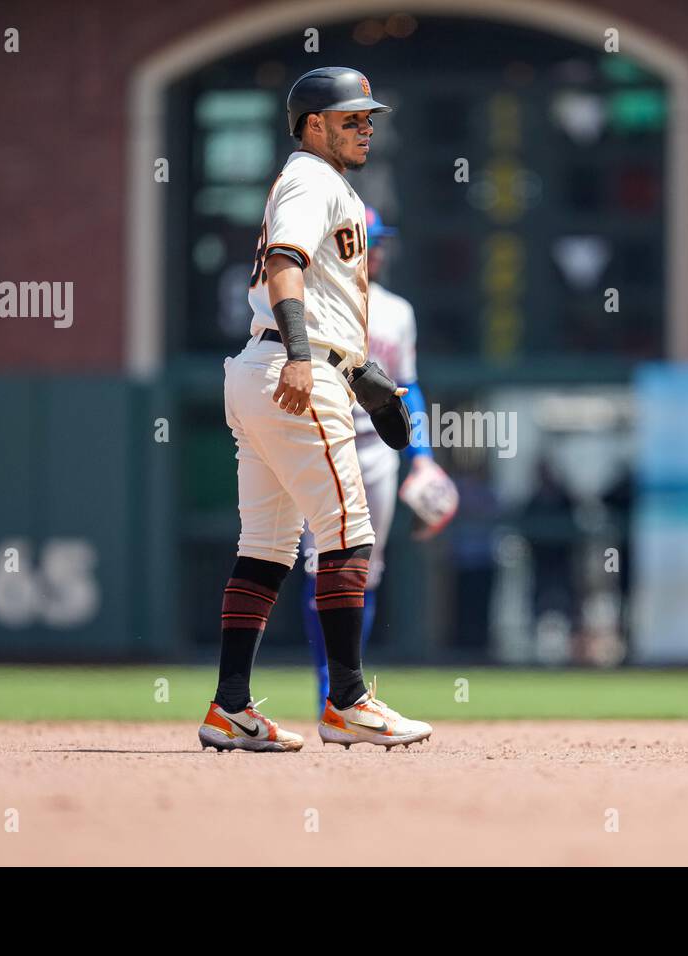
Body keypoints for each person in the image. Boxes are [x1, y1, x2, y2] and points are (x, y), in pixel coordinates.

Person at [196, 67, 432, 752]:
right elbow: (284, 263)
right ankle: (349, 703)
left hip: (268, 370)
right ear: (312, 124)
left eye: (368, 117)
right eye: (351, 117)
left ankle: (230, 708)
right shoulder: (310, 178)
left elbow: (322, 298)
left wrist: (360, 374)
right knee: (350, 532)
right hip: (290, 369)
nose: (365, 126)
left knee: (266, 550)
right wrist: (305, 356)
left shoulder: (331, 185)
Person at [300, 207, 458, 716]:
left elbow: (408, 392)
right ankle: (331, 684)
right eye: (371, 240)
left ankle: (349, 685)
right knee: (318, 565)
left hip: (377, 448)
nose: (380, 249)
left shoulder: (398, 311)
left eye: (382, 240)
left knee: (366, 570)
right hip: (322, 441)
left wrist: (425, 460)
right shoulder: (313, 301)